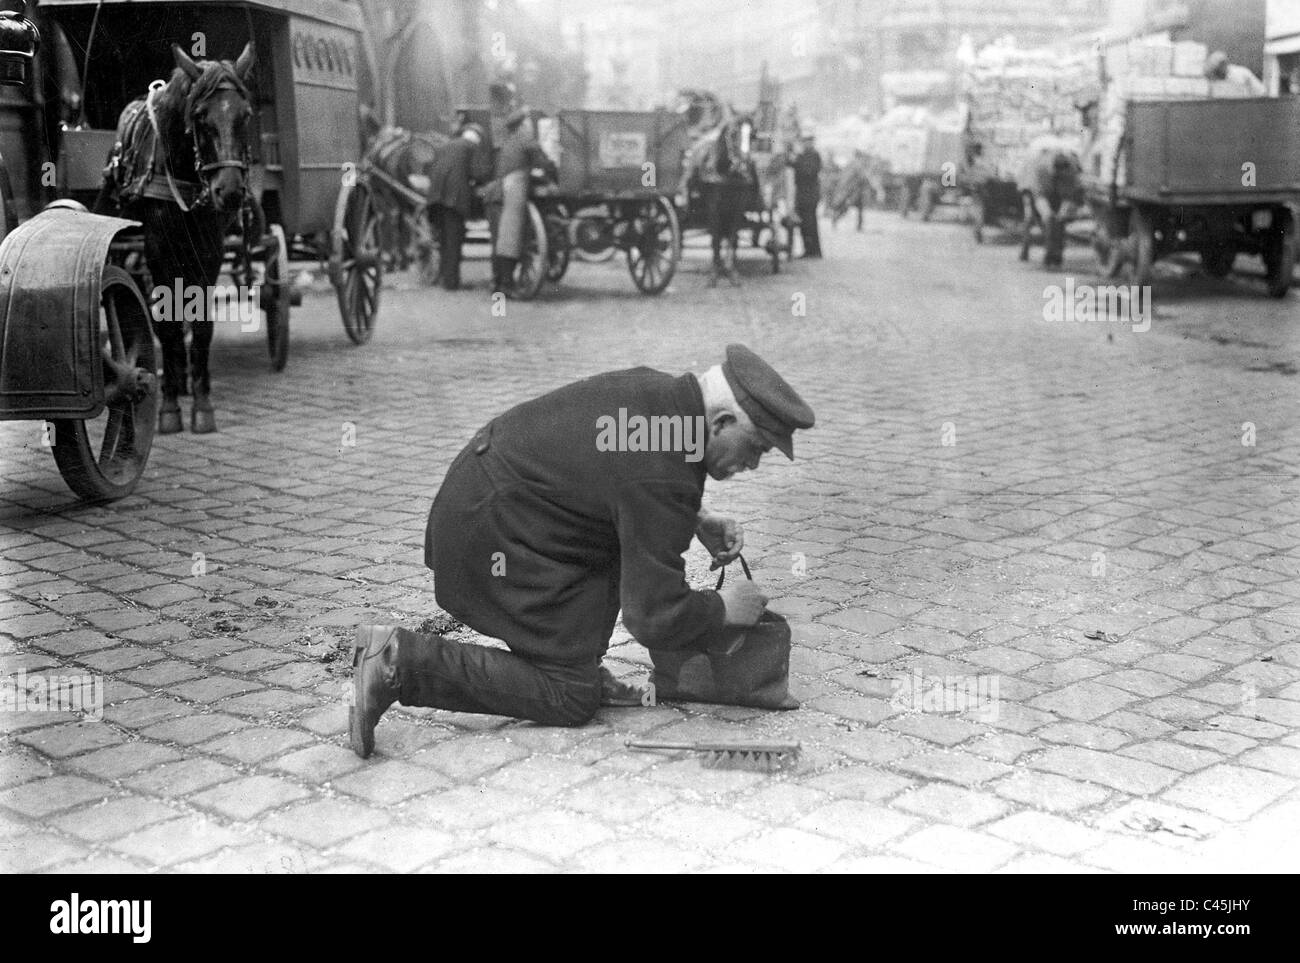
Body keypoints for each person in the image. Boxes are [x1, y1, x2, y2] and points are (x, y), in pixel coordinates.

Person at [350, 344, 816, 755]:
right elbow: (652, 615)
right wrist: (724, 608)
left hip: (486, 503)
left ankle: (576, 660)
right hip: (490, 539)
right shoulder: (665, 472)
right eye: (755, 448)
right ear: (722, 421)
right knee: (568, 695)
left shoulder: (665, 397)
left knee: (615, 549)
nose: (752, 464)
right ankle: (398, 661)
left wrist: (692, 518)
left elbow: (610, 472)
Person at [485, 106, 554, 296]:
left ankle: (497, 282)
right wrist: (553, 173)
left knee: (501, 239)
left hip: (497, 193)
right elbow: (543, 161)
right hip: (511, 190)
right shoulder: (525, 139)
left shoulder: (509, 141)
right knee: (511, 235)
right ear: (524, 124)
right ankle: (506, 285)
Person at [425, 122, 490, 291]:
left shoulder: (445, 146)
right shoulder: (471, 147)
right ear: (477, 139)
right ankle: (451, 282)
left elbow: (431, 168)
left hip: (435, 197)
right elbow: (478, 173)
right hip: (454, 198)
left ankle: (445, 277)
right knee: (454, 239)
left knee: (444, 239)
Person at [788, 133, 822, 258]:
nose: (805, 144)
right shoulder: (804, 155)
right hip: (803, 194)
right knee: (805, 224)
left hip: (809, 195)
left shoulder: (813, 155)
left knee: (809, 224)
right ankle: (810, 250)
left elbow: (809, 172)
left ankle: (813, 251)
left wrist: (796, 162)